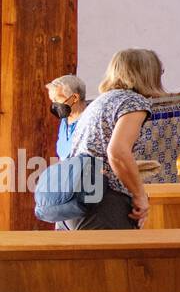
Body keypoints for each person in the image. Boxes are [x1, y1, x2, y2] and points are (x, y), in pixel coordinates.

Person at [60, 49, 165, 230]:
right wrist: (139, 195)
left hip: (71, 200)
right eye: (159, 72)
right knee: (116, 259)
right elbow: (117, 152)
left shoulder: (101, 101)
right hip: (100, 202)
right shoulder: (134, 102)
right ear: (148, 74)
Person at [46, 74, 88, 160]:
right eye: (52, 100)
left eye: (57, 99)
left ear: (75, 98)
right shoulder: (65, 119)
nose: (54, 104)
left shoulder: (90, 121)